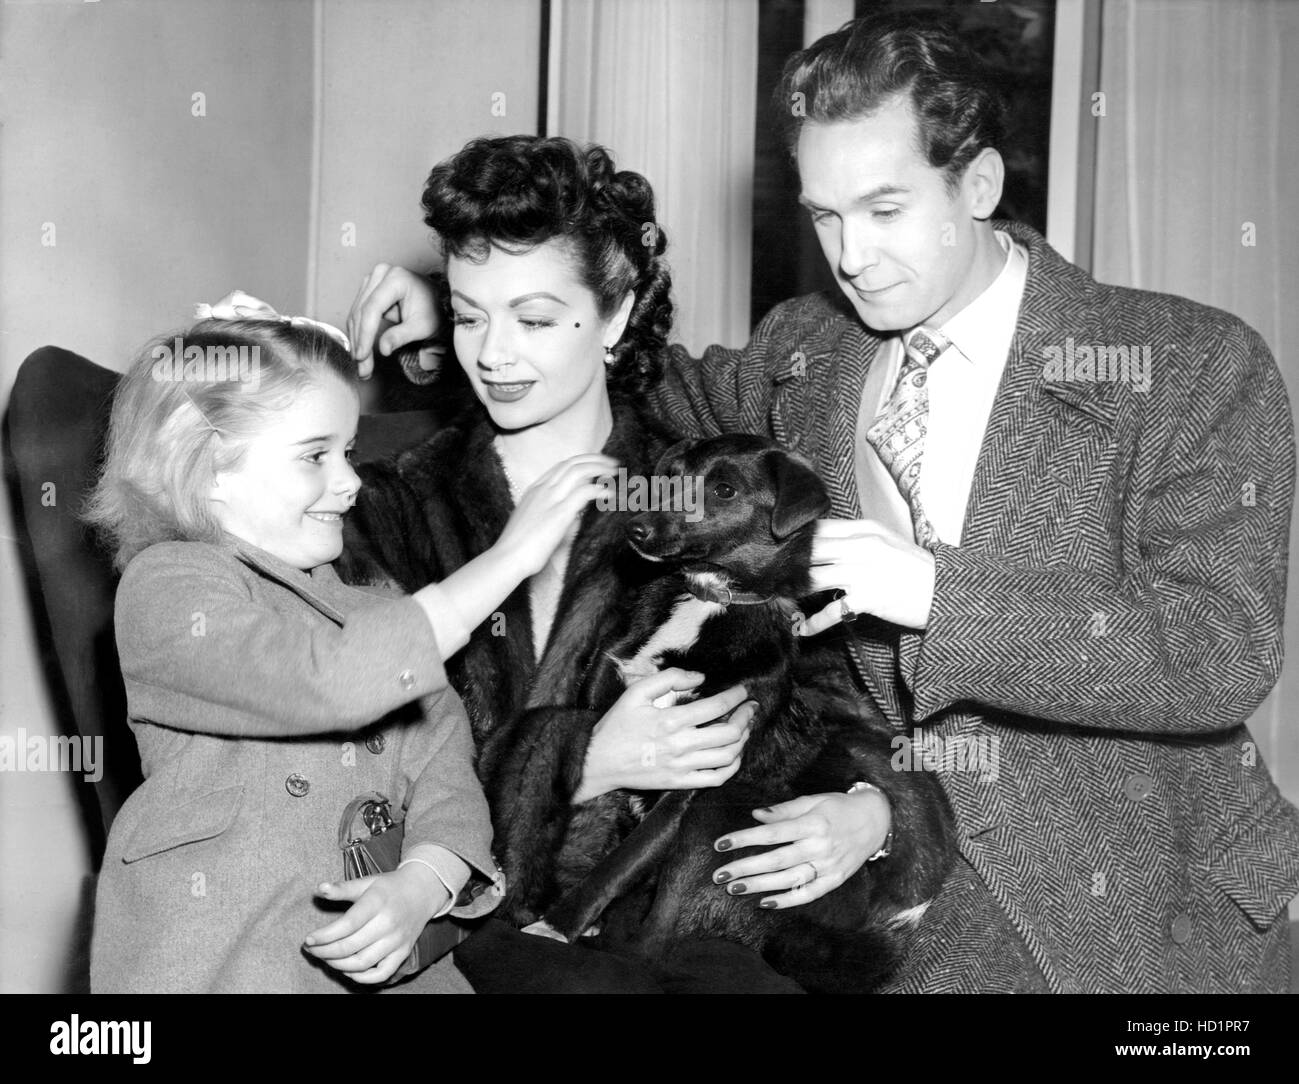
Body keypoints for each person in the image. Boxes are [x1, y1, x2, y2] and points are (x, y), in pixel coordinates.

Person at [349, 11, 1299, 993]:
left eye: (884, 210)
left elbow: (1219, 647)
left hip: (1143, 883)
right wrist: (458, 313)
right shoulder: (811, 350)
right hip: (898, 887)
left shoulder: (1186, 363)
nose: (849, 255)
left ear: (977, 183)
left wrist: (936, 592)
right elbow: (627, 372)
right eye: (824, 215)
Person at [339, 134, 896, 993]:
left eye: (532, 318)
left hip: (689, 926)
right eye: (467, 314)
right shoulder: (390, 511)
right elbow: (358, 790)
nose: (493, 355)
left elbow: (840, 713)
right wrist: (586, 757)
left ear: (618, 315)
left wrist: (869, 810)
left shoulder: (712, 504)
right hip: (472, 937)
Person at [83, 304, 597, 992]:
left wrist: (423, 883)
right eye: (314, 455)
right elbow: (322, 680)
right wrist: (507, 561)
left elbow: (447, 775)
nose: (352, 482)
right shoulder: (169, 588)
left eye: (348, 453)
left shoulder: (379, 612)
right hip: (223, 964)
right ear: (207, 467)